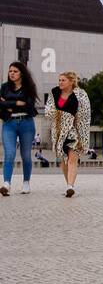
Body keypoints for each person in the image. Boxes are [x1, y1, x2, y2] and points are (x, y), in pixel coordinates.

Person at [45, 70, 90, 198]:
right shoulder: (54, 92)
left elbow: (85, 115)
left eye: (63, 80)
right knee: (63, 160)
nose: (60, 82)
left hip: (74, 130)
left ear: (71, 81)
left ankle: (70, 186)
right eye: (59, 80)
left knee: (72, 158)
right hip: (58, 131)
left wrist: (82, 134)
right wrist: (64, 115)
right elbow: (48, 112)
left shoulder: (81, 95)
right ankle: (68, 185)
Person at [1, 62, 39, 195]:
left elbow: (29, 106)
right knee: (9, 153)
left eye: (15, 71)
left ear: (21, 73)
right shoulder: (4, 87)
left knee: (26, 155)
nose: (11, 73)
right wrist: (16, 102)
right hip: (9, 123)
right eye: (10, 71)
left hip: (26, 124)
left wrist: (7, 103)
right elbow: (0, 105)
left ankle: (26, 182)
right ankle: (6, 184)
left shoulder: (29, 88)